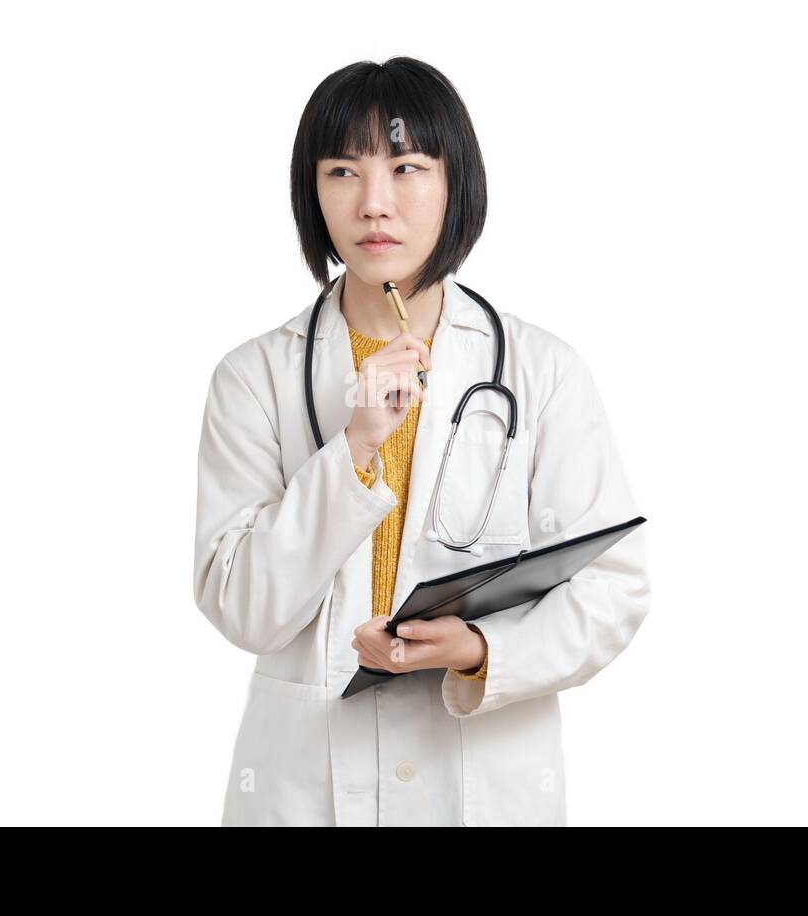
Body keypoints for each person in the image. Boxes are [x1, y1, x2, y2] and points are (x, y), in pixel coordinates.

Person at [193, 56, 651, 826]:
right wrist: (357, 447)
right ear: (314, 192)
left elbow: (615, 587)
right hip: (307, 788)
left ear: (455, 184)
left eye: (406, 167)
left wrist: (477, 651)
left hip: (482, 785)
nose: (375, 204)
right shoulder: (252, 377)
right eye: (343, 171)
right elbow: (243, 609)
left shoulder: (542, 371)